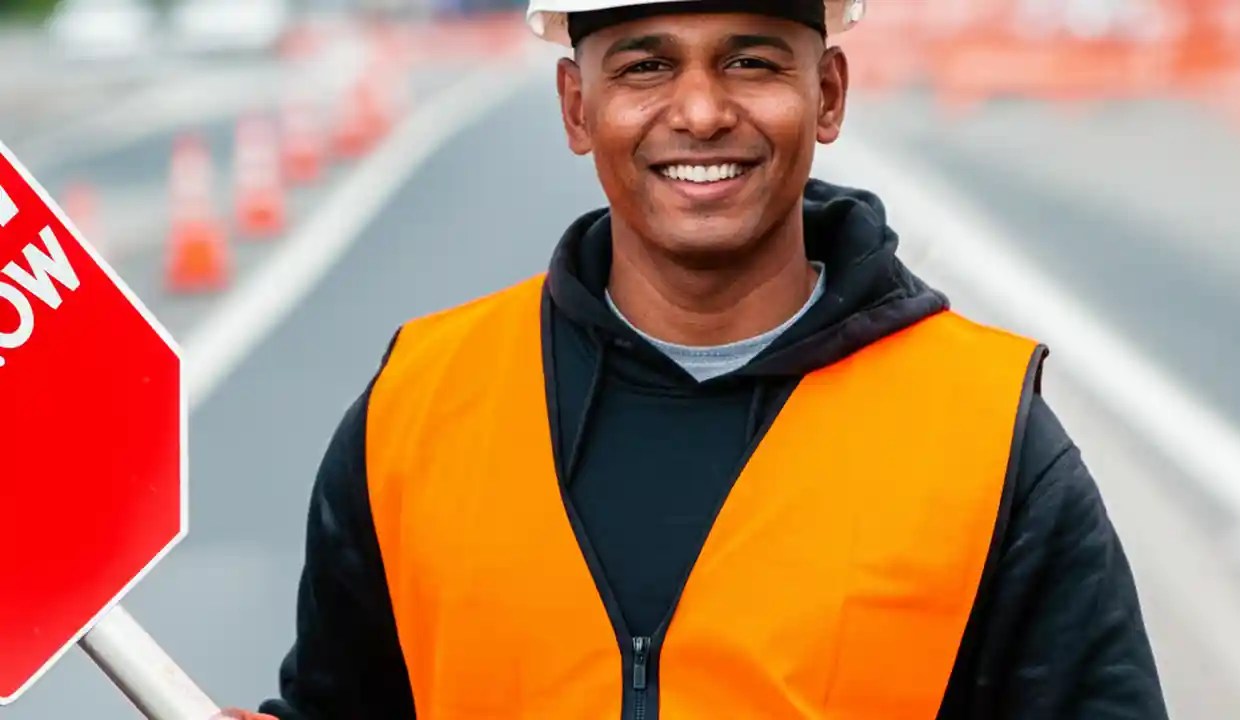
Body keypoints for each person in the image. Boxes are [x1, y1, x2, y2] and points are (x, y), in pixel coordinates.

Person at [223, 0, 1167, 717]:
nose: (703, 111)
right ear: (576, 105)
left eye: (751, 62)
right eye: (646, 66)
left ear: (828, 94)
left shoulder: (987, 439)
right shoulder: (420, 408)